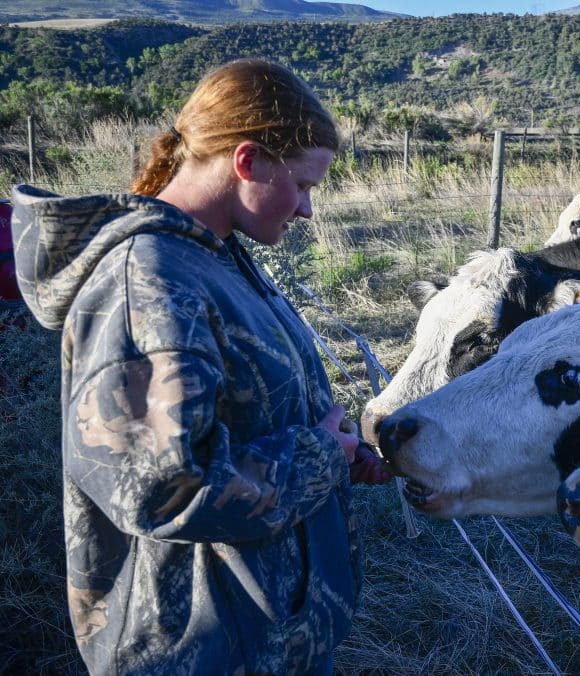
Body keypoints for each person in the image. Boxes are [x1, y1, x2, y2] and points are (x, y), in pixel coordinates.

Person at [10, 58, 390, 675]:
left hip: (266, 636)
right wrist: (320, 458)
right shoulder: (149, 282)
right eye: (303, 183)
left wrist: (342, 449)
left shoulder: (215, 257)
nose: (307, 211)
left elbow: (246, 412)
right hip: (200, 652)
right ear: (248, 162)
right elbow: (162, 492)